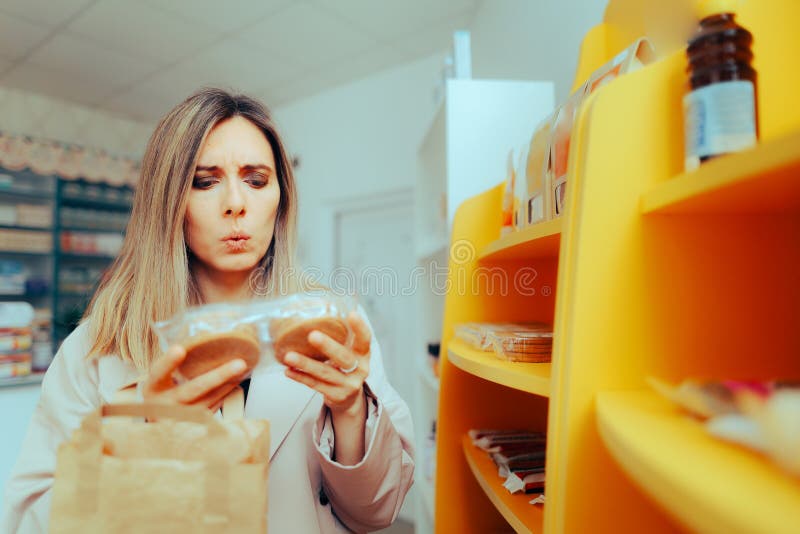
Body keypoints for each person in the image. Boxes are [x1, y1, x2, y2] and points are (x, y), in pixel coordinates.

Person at [2, 88, 415, 533]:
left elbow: (377, 512)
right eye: (205, 180)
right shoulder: (96, 349)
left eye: (256, 180)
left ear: (280, 199)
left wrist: (351, 410)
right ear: (169, 202)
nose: (236, 203)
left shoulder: (330, 327)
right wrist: (140, 454)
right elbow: (27, 523)